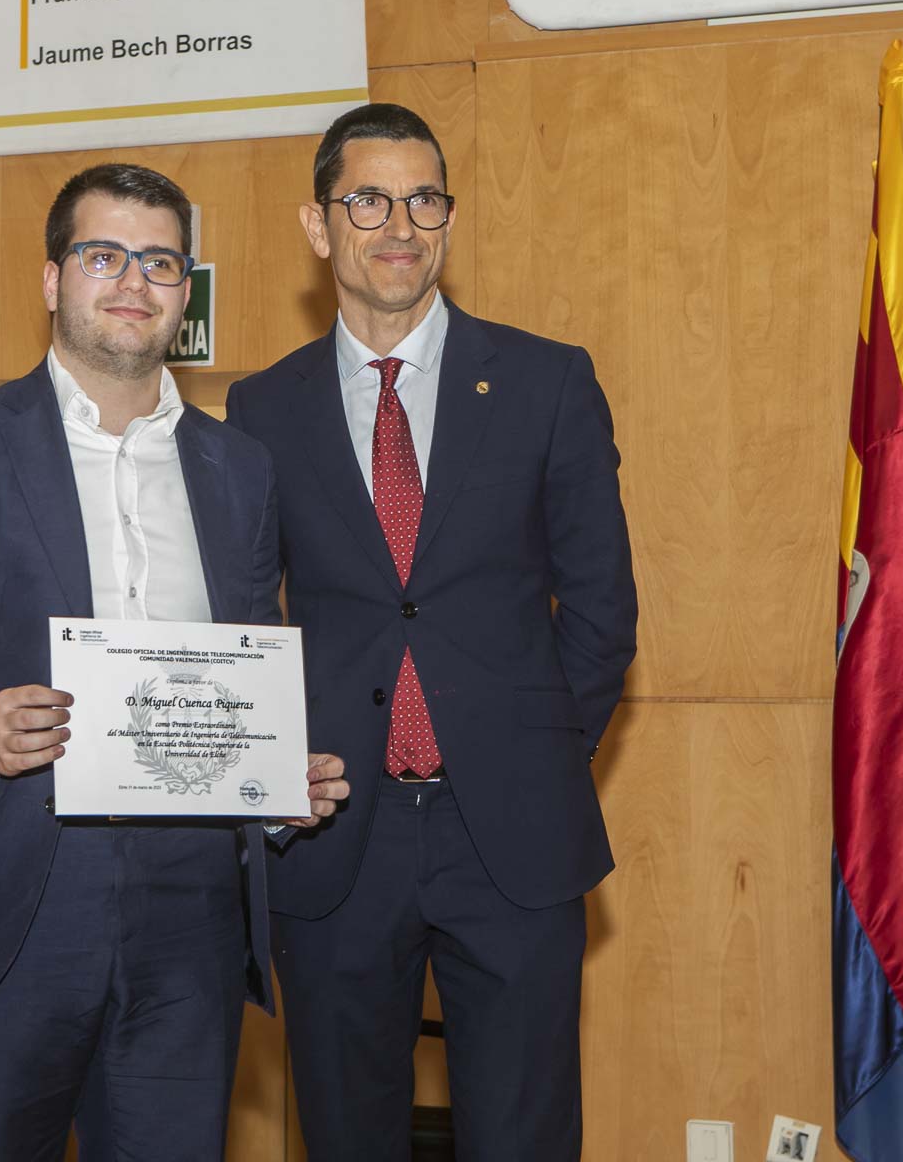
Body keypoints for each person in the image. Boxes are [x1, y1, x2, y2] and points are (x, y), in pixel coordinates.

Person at [0, 162, 348, 1161]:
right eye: (102, 254)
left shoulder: (239, 469)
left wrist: (273, 780)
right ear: (52, 278)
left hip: (191, 909)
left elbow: (245, 667)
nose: (131, 281)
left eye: (159, 261)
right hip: (8, 894)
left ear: (184, 292)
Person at [227, 104, 637, 1160]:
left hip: (508, 833)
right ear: (320, 227)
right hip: (332, 839)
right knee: (345, 1133)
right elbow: (241, 619)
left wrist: (532, 754)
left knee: (524, 1135)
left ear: (448, 219)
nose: (398, 222)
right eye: (368, 198)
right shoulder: (263, 408)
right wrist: (274, 771)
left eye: (424, 198)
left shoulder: (548, 382)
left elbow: (602, 610)